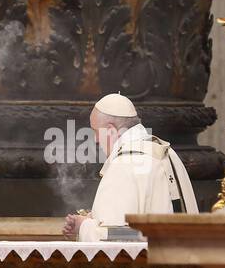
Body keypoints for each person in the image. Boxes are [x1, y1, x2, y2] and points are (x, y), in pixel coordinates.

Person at [63, 94, 198, 241]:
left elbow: (116, 239)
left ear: (110, 130)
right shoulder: (167, 152)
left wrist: (84, 226)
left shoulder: (125, 163)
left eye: (96, 131)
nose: (95, 140)